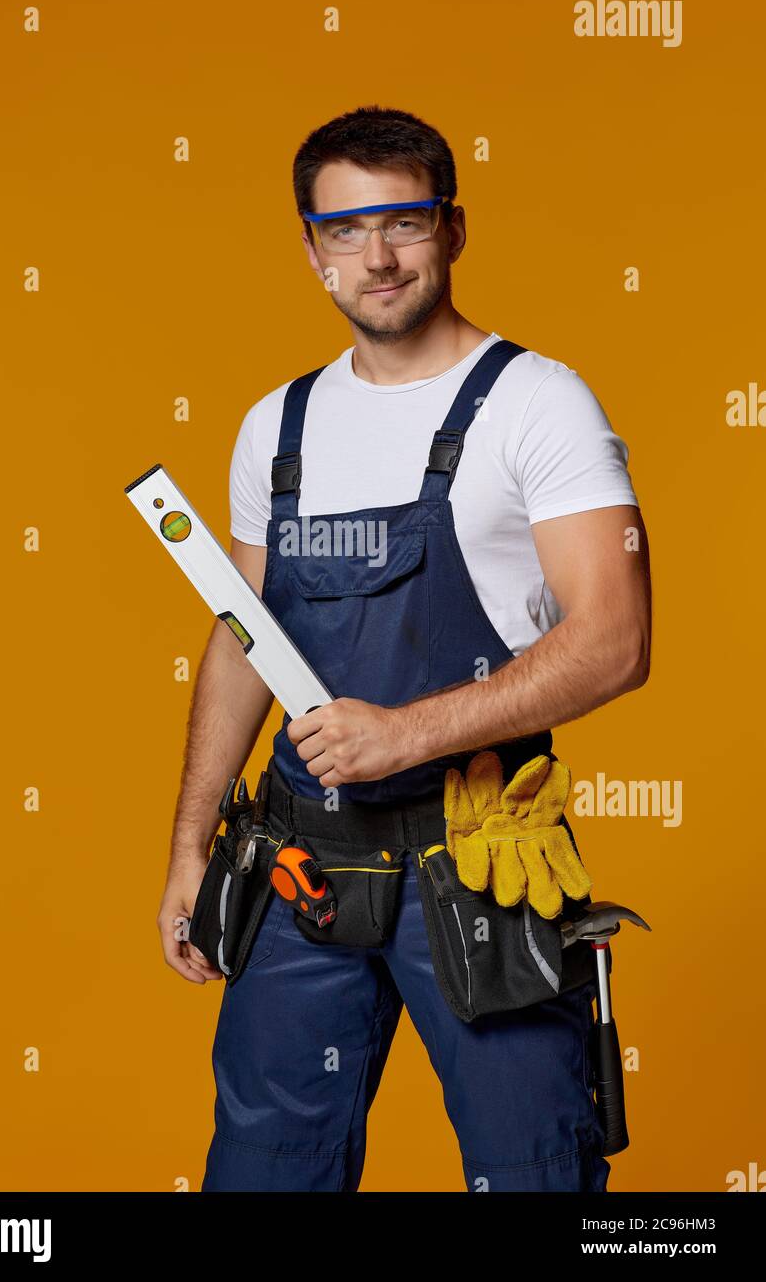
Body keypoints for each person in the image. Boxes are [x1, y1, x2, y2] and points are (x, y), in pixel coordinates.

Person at [156, 105, 651, 1192]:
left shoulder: (536, 405)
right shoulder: (272, 427)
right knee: (263, 1169)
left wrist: (402, 735)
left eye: (402, 221)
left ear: (451, 229)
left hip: (475, 865)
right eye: (344, 229)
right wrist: (191, 847)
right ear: (309, 248)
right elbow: (243, 640)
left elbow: (613, 642)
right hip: (299, 871)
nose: (375, 256)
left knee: (532, 1170)